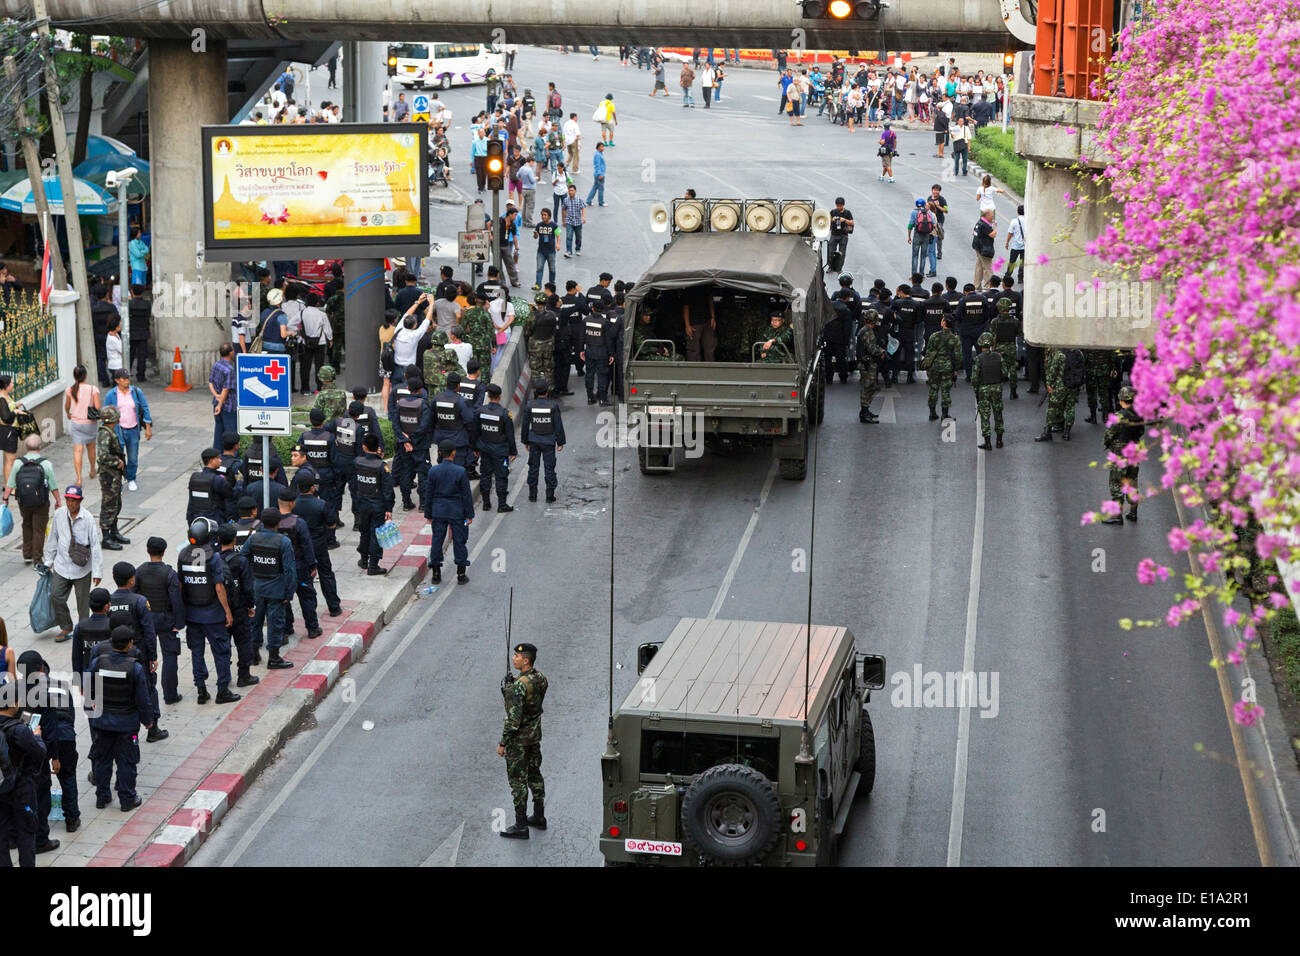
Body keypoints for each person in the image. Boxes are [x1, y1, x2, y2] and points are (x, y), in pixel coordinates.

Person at [85, 625, 153, 812]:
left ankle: (102, 796)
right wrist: (148, 720)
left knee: (102, 760)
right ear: (130, 644)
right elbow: (143, 698)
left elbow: (87, 682)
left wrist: (91, 704)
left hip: (102, 722)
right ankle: (127, 799)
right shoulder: (135, 668)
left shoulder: (99, 662)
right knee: (126, 762)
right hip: (126, 724)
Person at [176, 519, 240, 704]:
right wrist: (228, 611)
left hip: (193, 615)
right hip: (213, 615)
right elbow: (219, 588)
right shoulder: (214, 557)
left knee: (197, 652)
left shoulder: (182, 556)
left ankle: (201, 690)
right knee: (221, 652)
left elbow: (180, 585)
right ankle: (222, 691)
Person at [18, 649, 78, 844]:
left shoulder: (14, 691)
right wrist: (55, 757)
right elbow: (56, 726)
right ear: (42, 669)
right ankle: (64, 823)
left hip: (21, 749)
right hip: (49, 745)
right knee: (55, 784)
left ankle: (14, 836)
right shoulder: (52, 691)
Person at [108, 561, 167, 740]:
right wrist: (153, 657)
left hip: (115, 653)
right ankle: (152, 727)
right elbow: (149, 631)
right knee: (149, 689)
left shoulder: (109, 601)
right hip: (139, 652)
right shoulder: (140, 601)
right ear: (132, 580)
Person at [498, 642, 548, 839]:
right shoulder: (541, 679)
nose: (514, 659)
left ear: (526, 660)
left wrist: (502, 743)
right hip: (534, 737)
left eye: (517, 657)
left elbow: (513, 719)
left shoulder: (520, 685)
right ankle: (538, 816)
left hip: (518, 741)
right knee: (535, 774)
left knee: (518, 781)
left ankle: (520, 825)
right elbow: (532, 704)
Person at [44, 483, 103, 642]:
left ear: (80, 501)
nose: (71, 503)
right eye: (68, 500)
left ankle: (84, 631)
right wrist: (48, 561)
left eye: (74, 500)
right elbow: (52, 538)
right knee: (56, 596)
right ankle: (66, 626)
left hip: (82, 569)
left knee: (83, 604)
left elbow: (96, 546)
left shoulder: (88, 518)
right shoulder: (59, 515)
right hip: (62, 566)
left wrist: (97, 572)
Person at [0, 677, 48, 865]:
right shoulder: (19, 730)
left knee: (1, 834)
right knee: (26, 833)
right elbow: (39, 753)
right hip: (21, 790)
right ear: (12, 703)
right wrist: (37, 737)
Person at [247, 508, 297, 666]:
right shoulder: (284, 542)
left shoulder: (253, 539)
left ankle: (254, 654)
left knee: (255, 621)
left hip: (257, 588)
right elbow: (290, 570)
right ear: (278, 523)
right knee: (275, 623)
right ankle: (274, 658)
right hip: (276, 591)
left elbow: (242, 559)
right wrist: (289, 594)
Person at [3, 435, 59, 565]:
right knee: (39, 529)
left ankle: (27, 554)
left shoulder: (18, 463)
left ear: (26, 447)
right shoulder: (46, 464)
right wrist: (58, 501)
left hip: (23, 502)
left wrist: (5, 499)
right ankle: (37, 559)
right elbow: (53, 486)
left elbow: (10, 484)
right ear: (39, 447)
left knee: (26, 525)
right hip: (41, 502)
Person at [350, 433, 394, 576]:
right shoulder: (382, 466)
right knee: (376, 534)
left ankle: (363, 559)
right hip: (377, 505)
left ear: (364, 447)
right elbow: (388, 489)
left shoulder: (357, 462)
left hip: (362, 503)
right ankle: (373, 566)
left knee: (364, 531)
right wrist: (389, 508)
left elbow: (353, 483)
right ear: (378, 448)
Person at [102, 368, 152, 492]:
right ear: (117, 380)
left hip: (133, 429)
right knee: (118, 457)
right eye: (124, 379)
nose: (127, 381)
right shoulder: (111, 395)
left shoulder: (136, 392)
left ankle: (131, 478)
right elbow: (106, 414)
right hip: (118, 430)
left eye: (128, 378)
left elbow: (145, 408)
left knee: (133, 457)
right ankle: (118, 480)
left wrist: (148, 427)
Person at [469, 383, 517, 513]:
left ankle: (486, 503)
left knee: (485, 475)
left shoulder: (480, 411)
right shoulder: (505, 414)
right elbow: (510, 435)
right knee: (501, 476)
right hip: (500, 451)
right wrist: (513, 451)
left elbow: (475, 431)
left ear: (488, 396)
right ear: (500, 396)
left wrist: (475, 447)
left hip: (484, 449)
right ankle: (502, 505)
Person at [1101, 386, 1145, 525]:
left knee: (1116, 482)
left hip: (1120, 452)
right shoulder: (1139, 413)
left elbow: (1109, 434)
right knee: (1132, 480)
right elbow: (1141, 431)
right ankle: (1133, 512)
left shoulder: (1119, 416)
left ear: (1121, 399)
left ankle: (1116, 515)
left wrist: (1108, 444)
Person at [520, 378, 564, 504]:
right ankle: (550, 496)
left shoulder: (530, 405)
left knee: (533, 467)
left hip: (534, 440)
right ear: (547, 391)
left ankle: (532, 495)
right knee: (549, 468)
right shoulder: (553, 405)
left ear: (535, 391)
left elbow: (525, 425)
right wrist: (560, 442)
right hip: (549, 442)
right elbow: (558, 425)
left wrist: (525, 441)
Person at [1035, 346, 1085, 442]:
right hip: (1074, 385)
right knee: (1070, 408)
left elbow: (1053, 371)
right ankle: (1066, 433)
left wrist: (1049, 384)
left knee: (1052, 407)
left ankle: (1047, 432)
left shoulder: (1060, 354)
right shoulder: (1079, 353)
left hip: (1061, 385)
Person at [923, 314, 963, 421]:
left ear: (943, 323)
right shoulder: (955, 339)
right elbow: (958, 356)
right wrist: (956, 369)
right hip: (947, 367)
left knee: (933, 388)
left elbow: (928, 352)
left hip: (935, 366)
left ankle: (932, 413)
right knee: (945, 390)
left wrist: (927, 367)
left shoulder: (934, 336)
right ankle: (945, 415)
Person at [972, 333, 1005, 450]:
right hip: (997, 388)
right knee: (998, 414)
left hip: (984, 389)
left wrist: (976, 392)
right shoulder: (998, 356)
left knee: (985, 416)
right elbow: (1005, 373)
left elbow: (975, 378)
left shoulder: (978, 358)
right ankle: (999, 441)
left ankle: (987, 442)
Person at [987, 296, 1022, 401]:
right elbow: (1019, 333)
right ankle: (1013, 392)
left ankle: (996, 392)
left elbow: (991, 335)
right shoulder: (1015, 320)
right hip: (1011, 346)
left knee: (997, 369)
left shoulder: (995, 321)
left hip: (998, 348)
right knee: (1012, 368)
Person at [856, 310, 885, 423]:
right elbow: (872, 349)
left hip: (866, 362)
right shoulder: (868, 332)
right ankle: (864, 413)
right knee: (867, 387)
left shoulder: (864, 330)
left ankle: (866, 410)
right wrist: (882, 352)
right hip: (867, 363)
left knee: (870, 387)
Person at [0, 375, 24, 487]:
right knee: (10, 459)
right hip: (8, 431)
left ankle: (7, 485)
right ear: (6, 385)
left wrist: (15, 405)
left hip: (9, 431)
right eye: (12, 383)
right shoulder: (2, 398)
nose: (13, 385)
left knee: (9, 459)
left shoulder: (5, 396)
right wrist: (16, 412)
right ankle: (10, 487)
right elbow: (6, 418)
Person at [827, 198, 854, 273]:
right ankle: (831, 267)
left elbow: (852, 223)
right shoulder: (833, 212)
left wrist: (844, 220)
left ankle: (839, 268)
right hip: (834, 234)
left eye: (840, 206)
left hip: (843, 235)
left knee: (842, 253)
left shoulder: (847, 212)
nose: (839, 207)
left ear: (843, 205)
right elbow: (827, 220)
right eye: (837, 205)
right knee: (831, 251)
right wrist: (832, 220)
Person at [561, 184, 587, 258]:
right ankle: (569, 251)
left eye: (572, 191)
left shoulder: (579, 200)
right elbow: (563, 210)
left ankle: (578, 249)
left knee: (578, 237)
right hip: (569, 221)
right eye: (569, 191)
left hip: (578, 222)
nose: (570, 192)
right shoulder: (565, 200)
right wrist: (563, 220)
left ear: (575, 191)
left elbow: (583, 208)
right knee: (569, 237)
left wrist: (583, 217)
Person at [1005, 204, 1026, 283]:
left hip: (1015, 246)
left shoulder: (1014, 221)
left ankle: (1008, 276)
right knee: (1022, 263)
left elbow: (1010, 233)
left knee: (1012, 262)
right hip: (1025, 246)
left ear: (1017, 212)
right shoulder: (1028, 220)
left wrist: (1007, 242)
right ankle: (1020, 278)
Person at [586, 142, 607, 207]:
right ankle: (601, 202)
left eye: (603, 147)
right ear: (597, 147)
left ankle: (588, 201)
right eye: (601, 147)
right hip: (599, 174)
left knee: (595, 187)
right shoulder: (598, 155)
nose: (602, 148)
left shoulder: (599, 154)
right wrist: (600, 174)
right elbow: (598, 165)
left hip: (598, 173)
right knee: (601, 188)